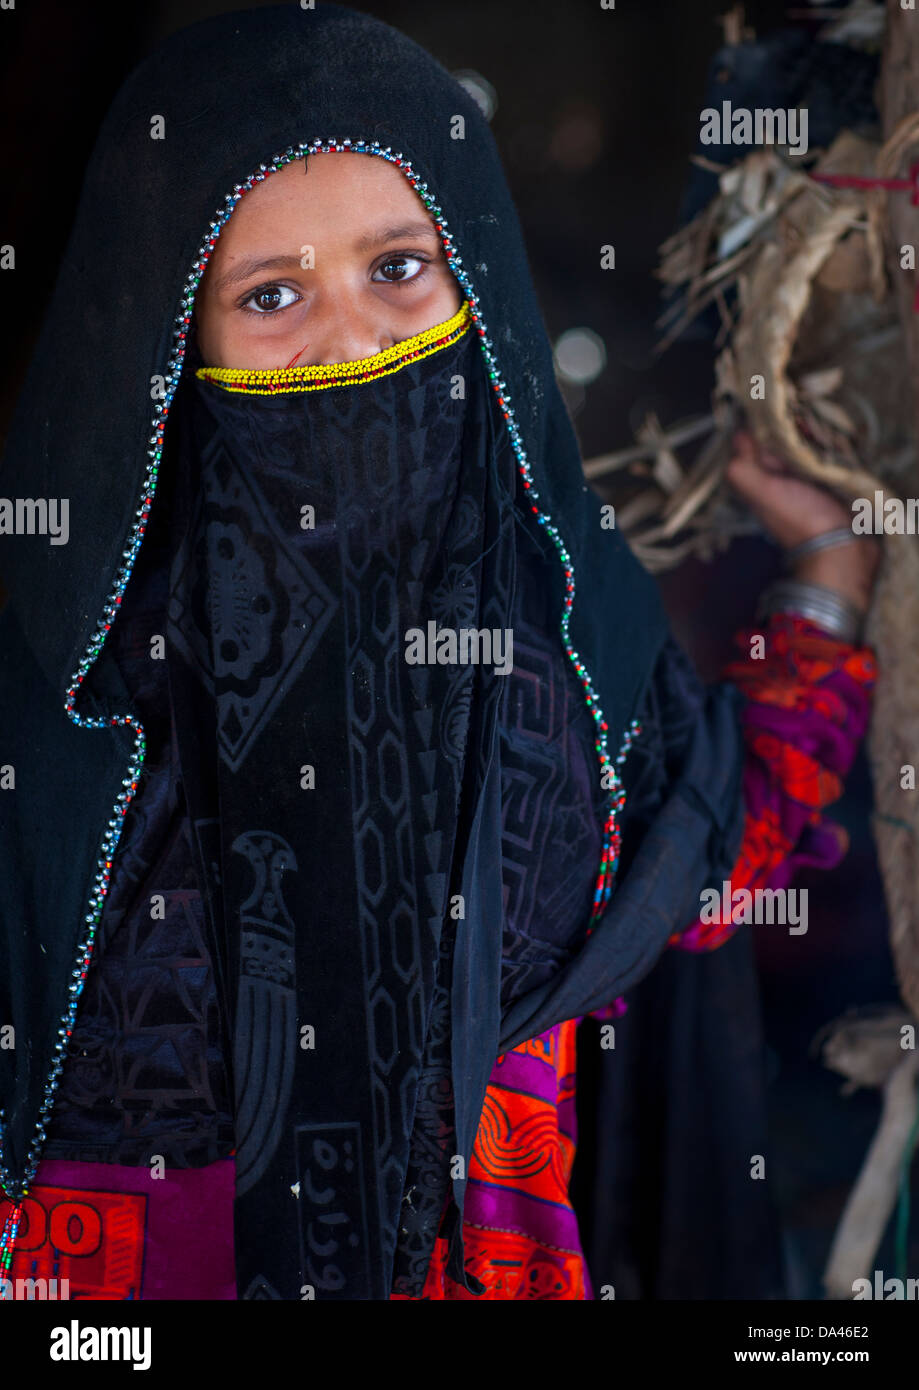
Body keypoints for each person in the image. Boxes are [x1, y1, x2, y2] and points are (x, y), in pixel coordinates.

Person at [0, 3, 878, 1301]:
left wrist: (829, 583)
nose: (351, 341)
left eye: (399, 269)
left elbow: (692, 859)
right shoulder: (63, 700)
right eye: (274, 293)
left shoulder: (567, 639)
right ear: (170, 337)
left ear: (475, 275)